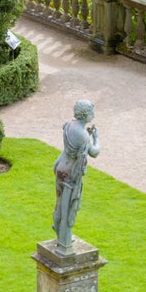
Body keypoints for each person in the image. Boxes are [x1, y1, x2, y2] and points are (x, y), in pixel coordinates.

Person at [52, 100, 100, 249]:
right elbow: (94, 152)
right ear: (86, 114)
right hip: (70, 174)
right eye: (92, 112)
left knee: (59, 202)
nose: (94, 115)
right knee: (67, 207)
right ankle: (64, 240)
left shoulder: (69, 125)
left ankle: (59, 230)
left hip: (61, 167)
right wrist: (96, 138)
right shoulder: (83, 135)